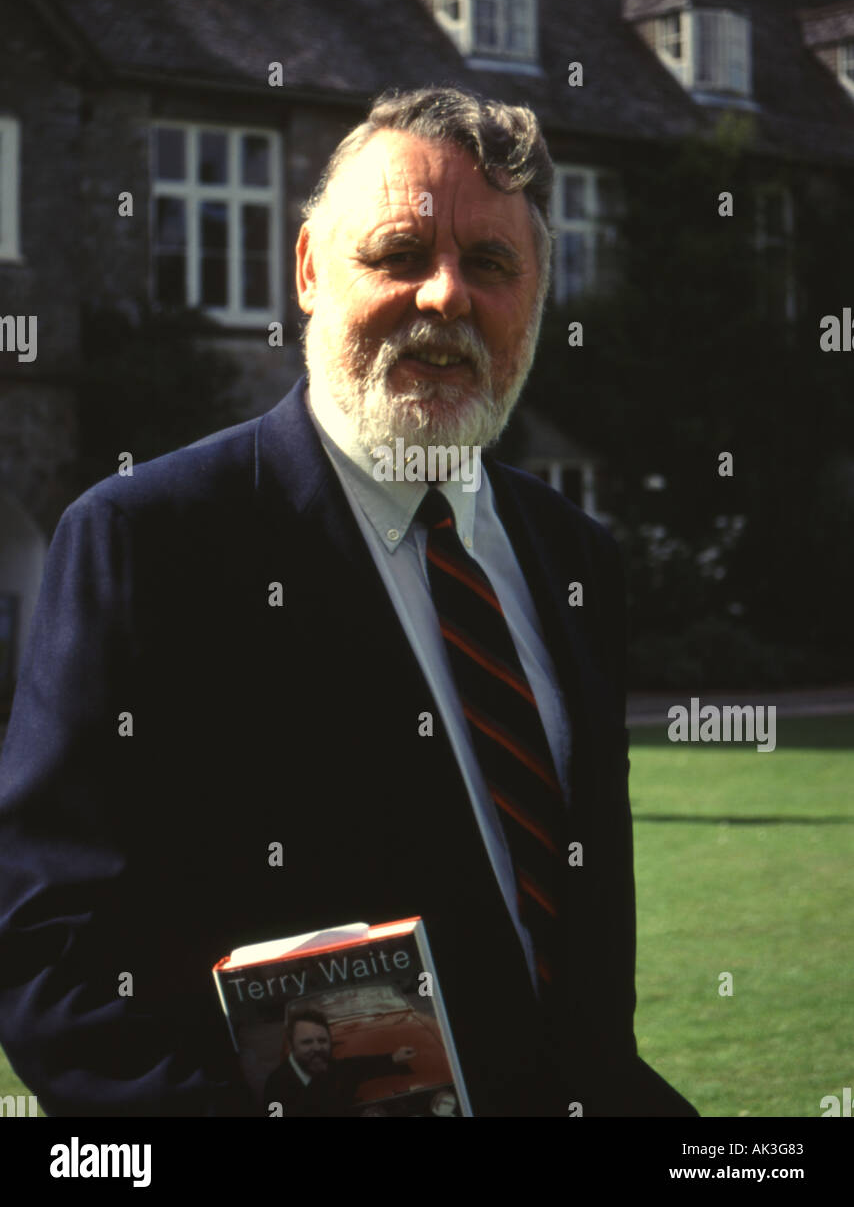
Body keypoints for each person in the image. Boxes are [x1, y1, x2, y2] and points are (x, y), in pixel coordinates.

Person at [0, 86, 697, 1118]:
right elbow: (54, 957)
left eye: (491, 265)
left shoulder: (574, 556)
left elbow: (574, 968)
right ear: (309, 270)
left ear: (538, 296)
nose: (444, 297)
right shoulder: (150, 541)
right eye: (399, 254)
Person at [263, 1008, 414, 1116]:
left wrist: (392, 1058)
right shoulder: (276, 1086)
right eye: (307, 1042)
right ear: (291, 1046)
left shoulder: (331, 1068)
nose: (317, 1047)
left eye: (322, 1041)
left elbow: (359, 1066)